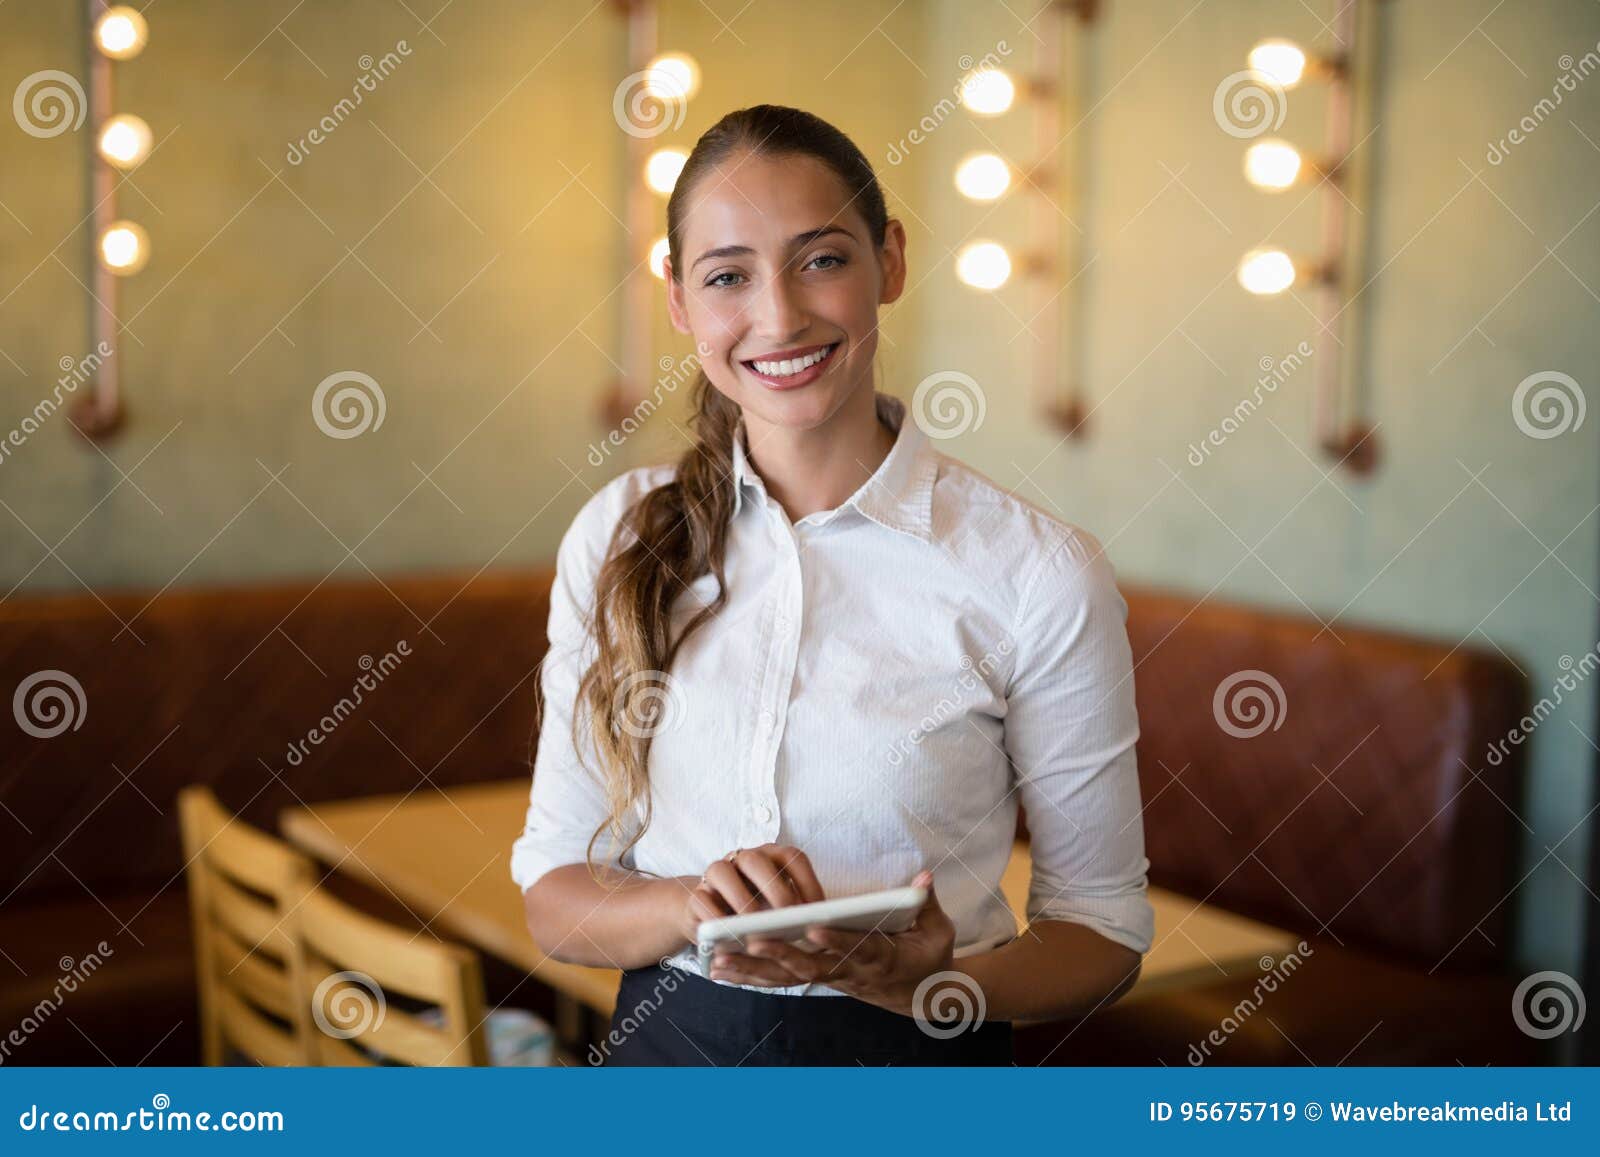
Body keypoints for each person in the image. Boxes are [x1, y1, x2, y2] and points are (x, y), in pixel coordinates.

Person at [511, 104, 1153, 1066]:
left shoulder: (1041, 573)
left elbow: (1102, 931)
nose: (779, 316)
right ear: (681, 301)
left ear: (889, 261)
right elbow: (558, 895)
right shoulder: (618, 532)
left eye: (821, 259)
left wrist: (926, 984)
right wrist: (696, 906)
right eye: (728, 276)